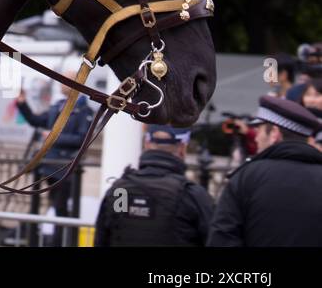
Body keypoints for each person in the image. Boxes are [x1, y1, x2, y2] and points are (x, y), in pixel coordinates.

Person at [207, 95, 322, 246]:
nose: (256, 138)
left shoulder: (247, 177)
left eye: (259, 130)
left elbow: (222, 238)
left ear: (274, 133)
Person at [93, 125, 212, 246]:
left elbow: (102, 240)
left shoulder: (120, 191)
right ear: (182, 149)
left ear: (147, 144)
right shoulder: (191, 194)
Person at [16, 82, 95, 245]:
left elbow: (82, 139)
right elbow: (36, 120)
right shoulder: (58, 106)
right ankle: (42, 240)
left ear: (76, 82)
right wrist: (22, 104)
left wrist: (53, 137)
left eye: (65, 79)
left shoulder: (83, 110)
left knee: (61, 208)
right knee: (43, 205)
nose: (60, 83)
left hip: (65, 167)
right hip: (47, 165)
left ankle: (60, 242)